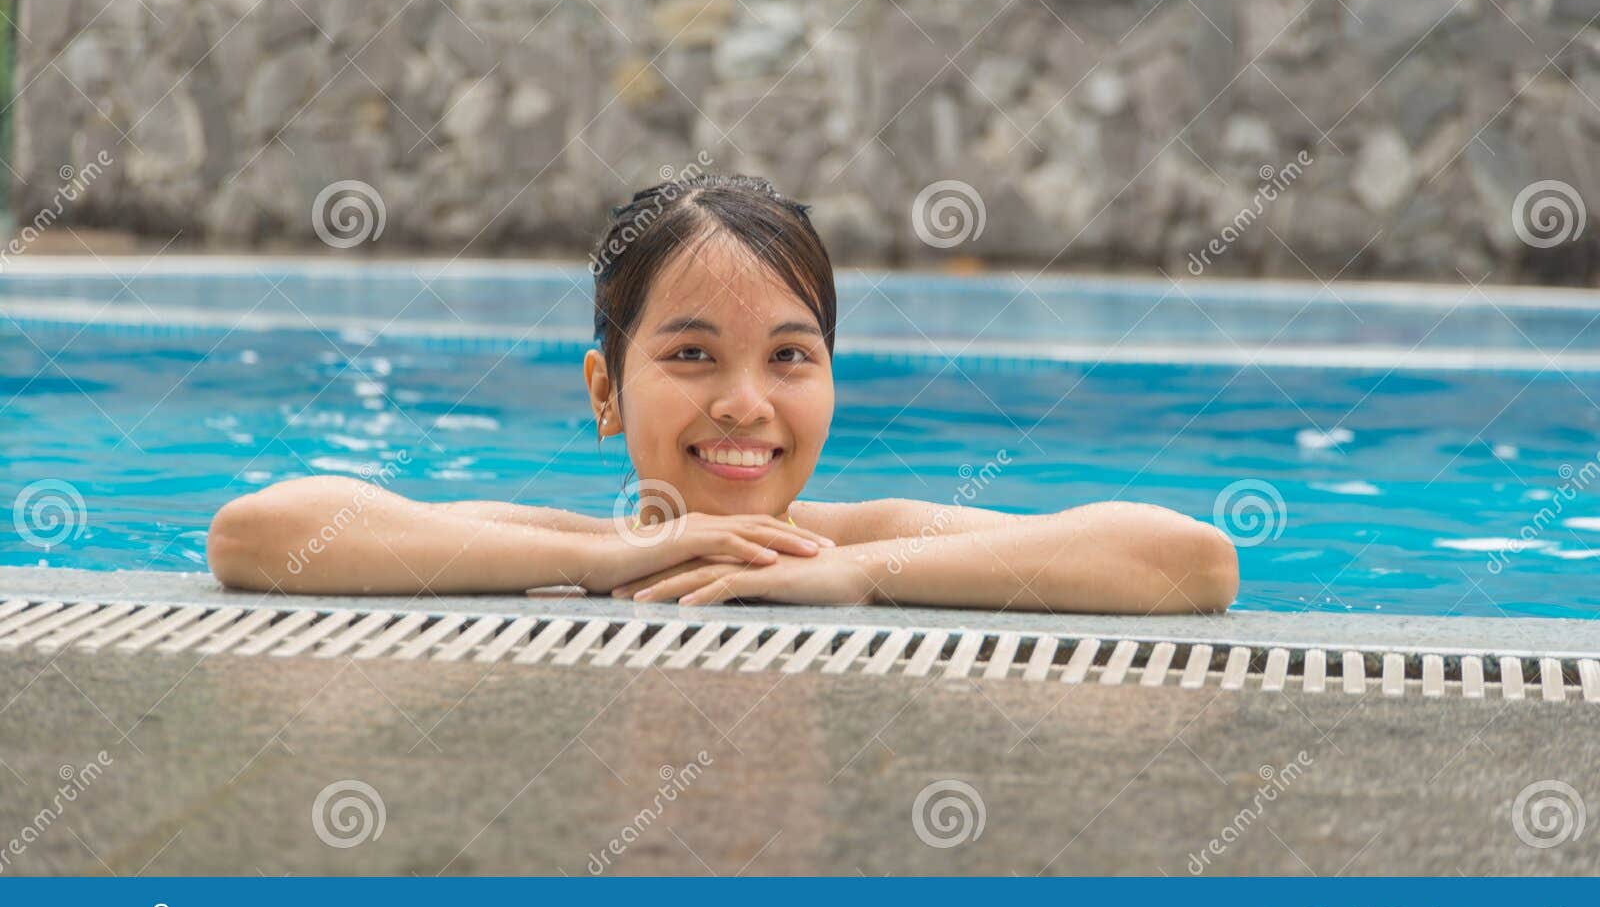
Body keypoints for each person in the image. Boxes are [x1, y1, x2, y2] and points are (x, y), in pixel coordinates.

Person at [207, 174, 1238, 613]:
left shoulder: (862, 537)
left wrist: (862, 578)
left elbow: (1189, 560)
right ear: (605, 392)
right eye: (693, 357)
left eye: (790, 358)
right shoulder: (568, 543)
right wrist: (605, 559)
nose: (747, 403)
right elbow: (256, 534)